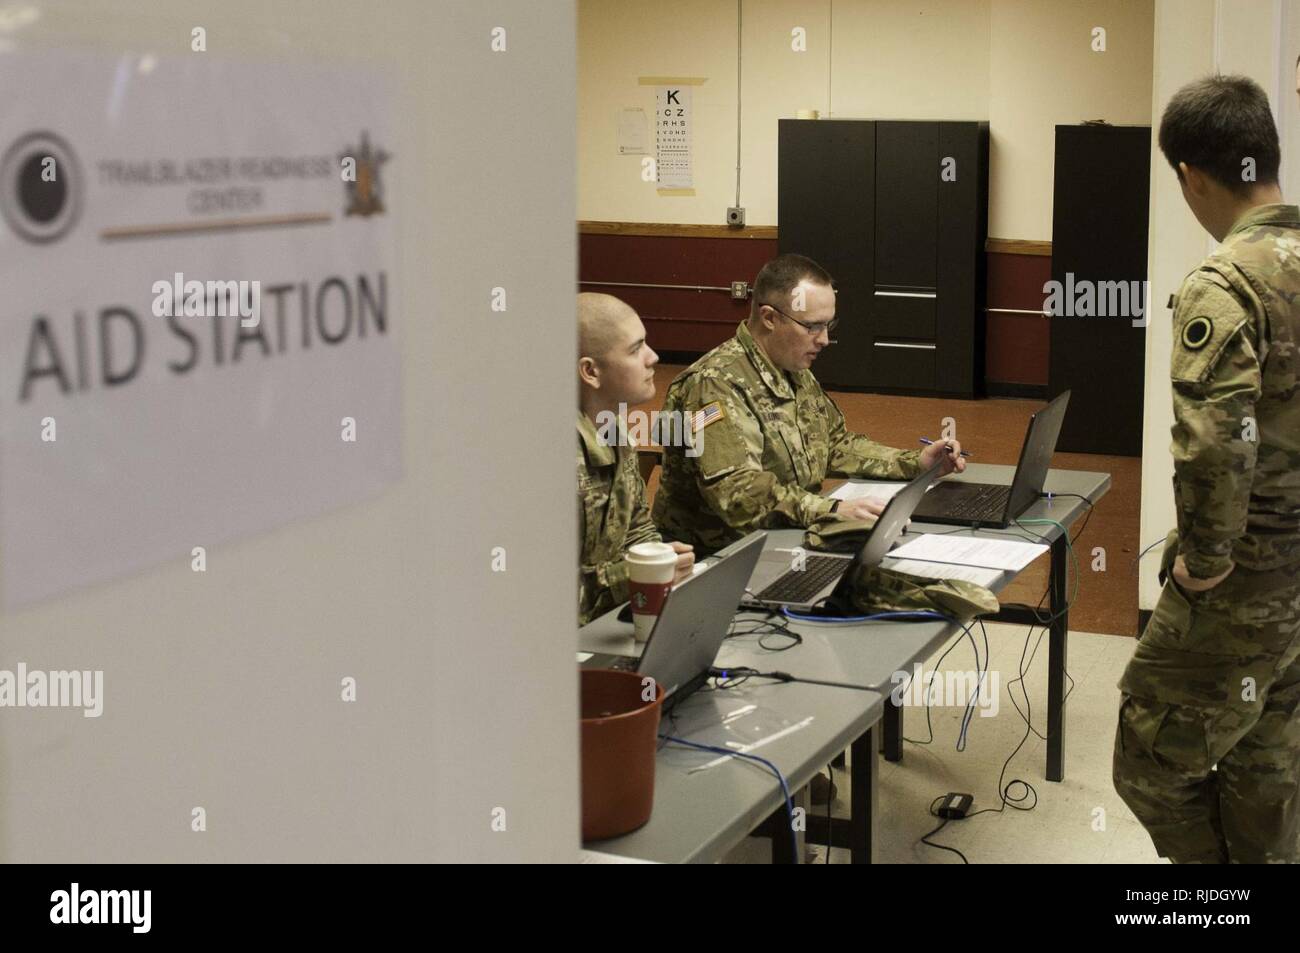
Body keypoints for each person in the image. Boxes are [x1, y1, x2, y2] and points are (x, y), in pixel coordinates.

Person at [1113, 75, 1300, 863]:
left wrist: (1202, 566)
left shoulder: (1226, 283)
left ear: (1191, 175)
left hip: (1243, 585)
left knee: (1147, 761)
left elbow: (1217, 441)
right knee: (1270, 764)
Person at [652, 253, 963, 556]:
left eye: (829, 325)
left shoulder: (791, 369)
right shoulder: (714, 384)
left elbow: (835, 445)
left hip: (781, 540)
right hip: (719, 559)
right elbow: (738, 494)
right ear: (769, 318)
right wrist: (835, 509)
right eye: (812, 326)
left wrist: (916, 462)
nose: (824, 339)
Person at [577, 293, 693, 626]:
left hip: (603, 630)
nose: (653, 357)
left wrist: (661, 561)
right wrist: (638, 574)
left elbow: (636, 531)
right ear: (591, 371)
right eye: (635, 349)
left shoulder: (614, 431)